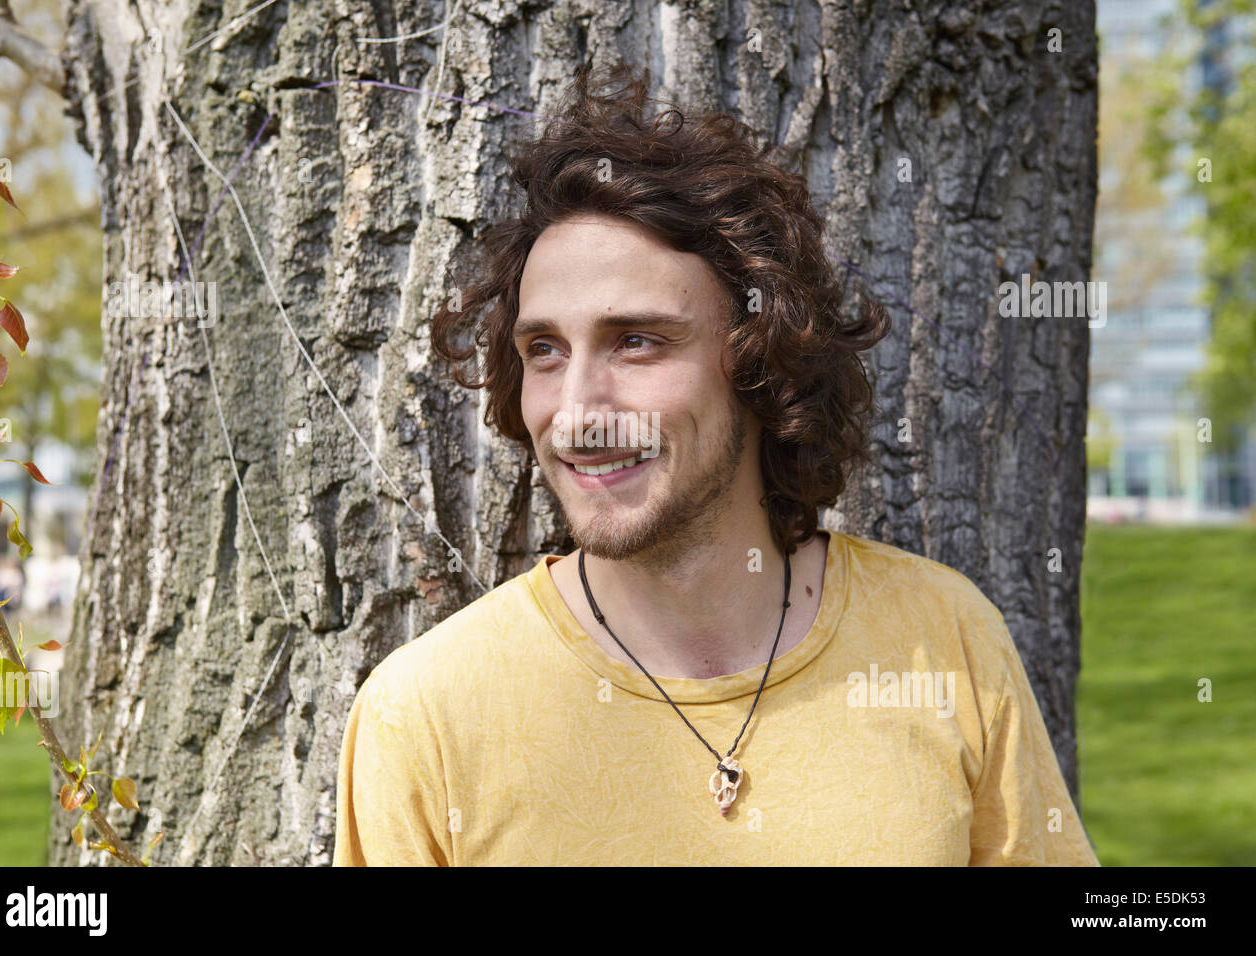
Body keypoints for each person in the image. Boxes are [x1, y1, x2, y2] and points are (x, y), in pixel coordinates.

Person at [335, 64, 1099, 866]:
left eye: (637, 340)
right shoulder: (423, 713)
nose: (578, 408)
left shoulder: (943, 640)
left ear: (760, 360)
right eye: (546, 350)